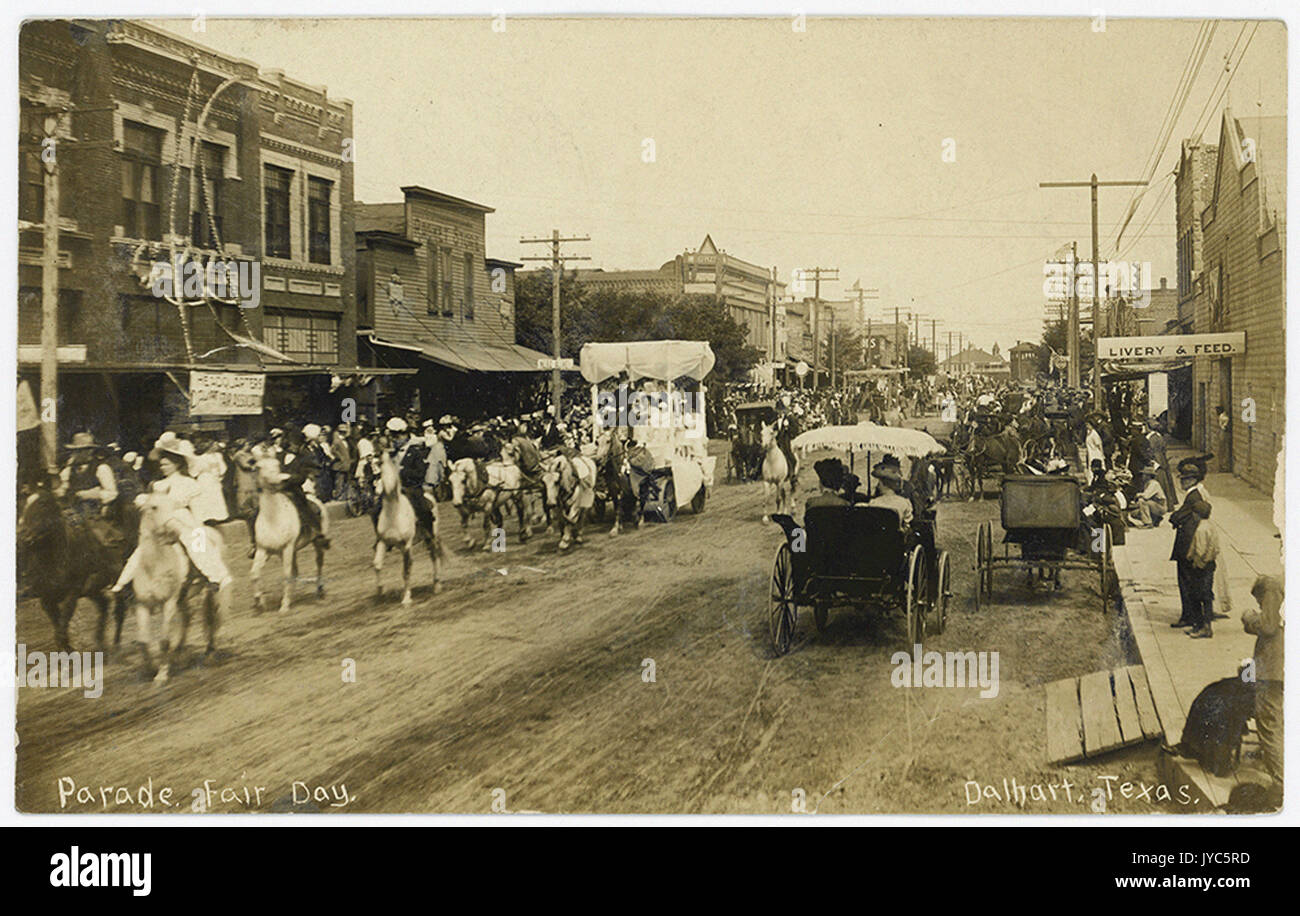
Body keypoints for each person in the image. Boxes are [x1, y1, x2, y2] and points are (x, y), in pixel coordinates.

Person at [110, 433, 233, 618]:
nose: (163, 466)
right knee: (143, 548)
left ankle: (212, 577)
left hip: (183, 520)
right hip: (160, 522)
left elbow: (196, 510)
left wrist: (197, 528)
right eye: (161, 463)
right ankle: (123, 584)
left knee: (195, 545)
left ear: (177, 463)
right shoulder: (158, 484)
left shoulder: (189, 483)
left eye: (166, 463)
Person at [1242, 575, 1283, 787]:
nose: (1260, 606)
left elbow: (1268, 626)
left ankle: (1282, 782)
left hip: (1273, 670)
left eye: (1261, 603)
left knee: (1269, 724)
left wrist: (1249, 618)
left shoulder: (1271, 587)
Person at [1168, 454, 1215, 637]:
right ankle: (1191, 617)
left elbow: (1177, 516)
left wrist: (1174, 518)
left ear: (1193, 480)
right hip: (1189, 543)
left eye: (1185, 479)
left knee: (1187, 583)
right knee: (1190, 584)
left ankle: (1191, 618)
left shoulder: (1193, 497)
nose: (1182, 482)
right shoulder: (1195, 495)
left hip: (1187, 544)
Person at [280, 426, 330, 548]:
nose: (293, 447)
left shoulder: (303, 458)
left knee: (307, 507)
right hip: (278, 489)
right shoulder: (279, 456)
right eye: (291, 444)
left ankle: (317, 533)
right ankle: (256, 540)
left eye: (296, 444)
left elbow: (305, 475)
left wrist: (290, 478)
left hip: (295, 488)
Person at [865, 460, 913, 531]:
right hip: (896, 539)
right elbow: (907, 527)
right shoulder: (905, 503)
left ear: (884, 484)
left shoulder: (874, 503)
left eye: (879, 483)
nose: (877, 486)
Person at [1127, 462, 1167, 528]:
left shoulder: (1154, 483)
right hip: (1154, 505)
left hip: (1160, 506)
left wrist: (1137, 495)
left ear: (1148, 476)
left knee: (1142, 501)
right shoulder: (1147, 483)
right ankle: (1155, 519)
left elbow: (1146, 496)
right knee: (1134, 513)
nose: (1142, 476)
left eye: (1144, 475)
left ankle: (1148, 523)